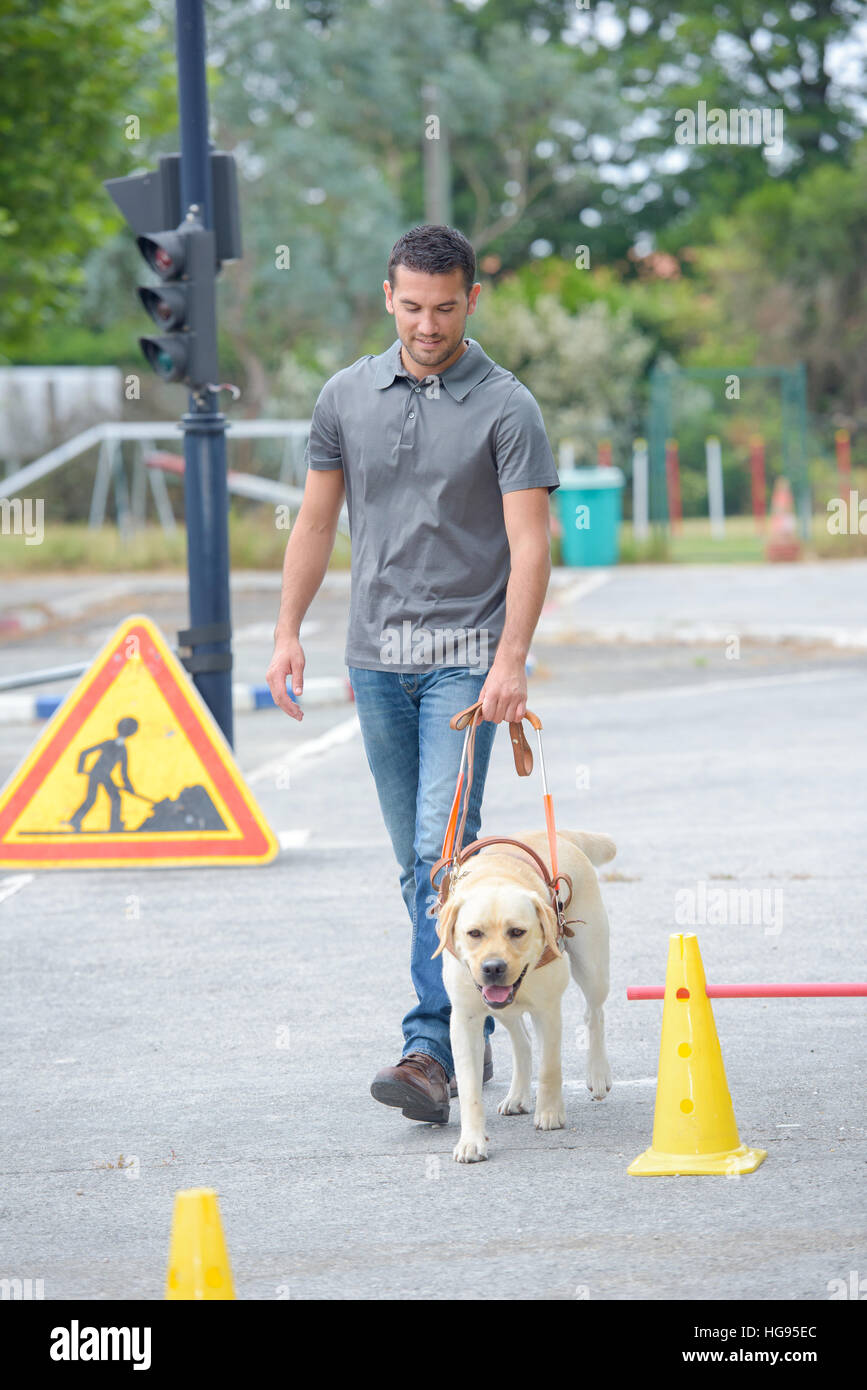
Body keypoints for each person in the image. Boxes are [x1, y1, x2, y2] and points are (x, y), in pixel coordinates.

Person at [267, 224, 560, 1124]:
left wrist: (509, 659)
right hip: (374, 662)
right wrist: (286, 632)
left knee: (440, 849)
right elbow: (316, 524)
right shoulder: (344, 396)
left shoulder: (507, 407)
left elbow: (528, 541)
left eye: (444, 307)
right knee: (415, 865)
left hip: (464, 665)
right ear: (387, 297)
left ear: (471, 300)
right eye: (411, 306)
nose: (426, 324)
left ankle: (429, 1049)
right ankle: (470, 1021)